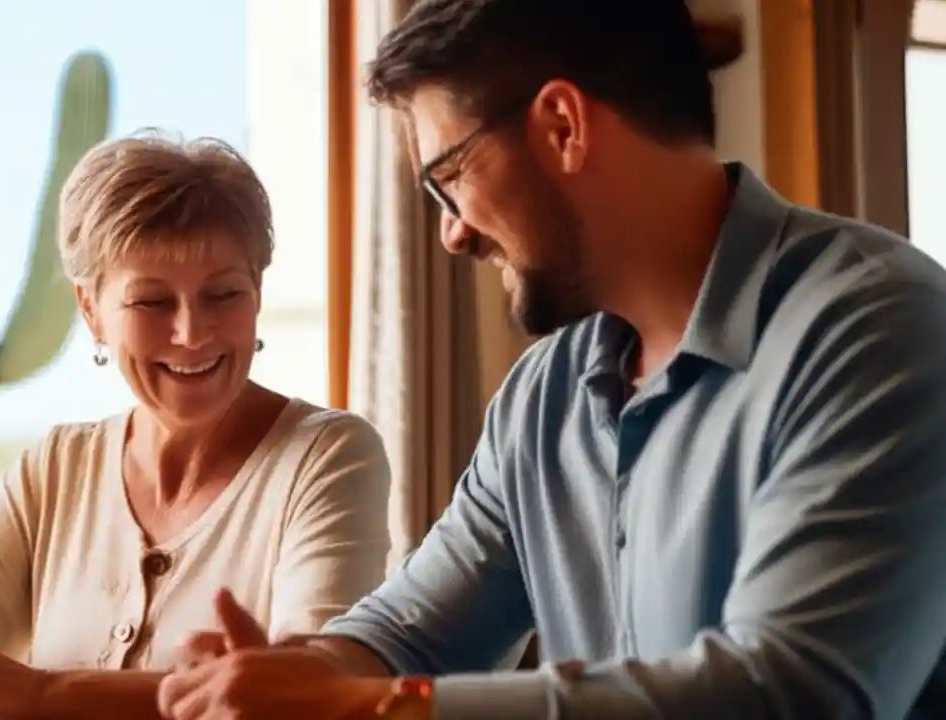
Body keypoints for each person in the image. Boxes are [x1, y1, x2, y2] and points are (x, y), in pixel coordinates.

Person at [155, 1, 946, 718]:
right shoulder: (544, 395)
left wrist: (376, 709)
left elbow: (795, 691)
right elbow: (415, 631)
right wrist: (294, 673)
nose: (453, 233)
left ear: (563, 126)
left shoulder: (879, 328)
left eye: (449, 179)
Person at [0, 134, 392, 720]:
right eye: (152, 303)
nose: (192, 332)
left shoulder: (330, 454)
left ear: (257, 293)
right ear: (91, 311)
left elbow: (312, 698)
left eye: (223, 294)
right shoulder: (55, 468)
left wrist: (40, 694)